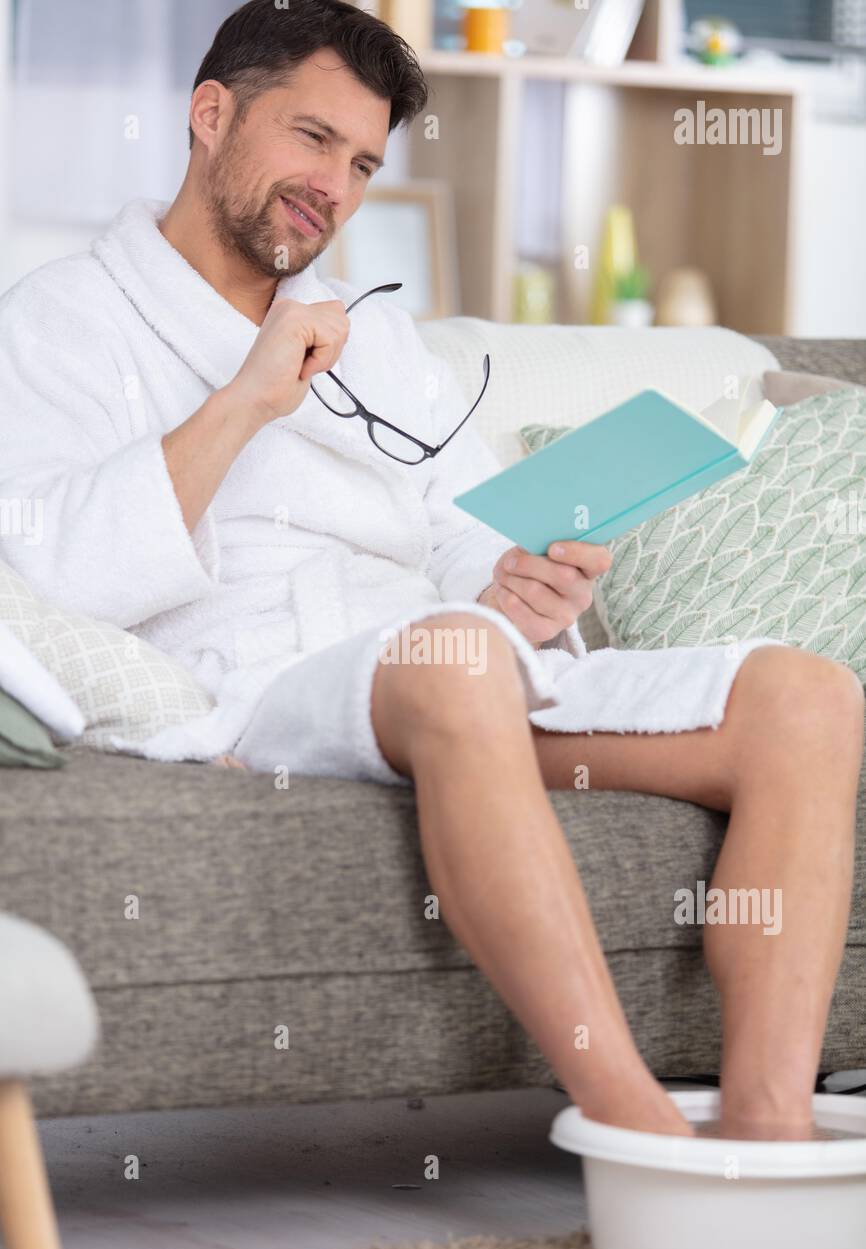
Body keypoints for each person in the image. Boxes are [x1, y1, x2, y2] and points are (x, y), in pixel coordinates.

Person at [0, 0, 862, 1141]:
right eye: (312, 139)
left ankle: (763, 1130)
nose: (336, 187)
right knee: (456, 658)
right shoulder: (60, 320)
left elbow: (456, 532)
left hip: (439, 661)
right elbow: (53, 572)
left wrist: (513, 582)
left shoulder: (371, 332)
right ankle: (634, 1127)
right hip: (261, 676)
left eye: (361, 162)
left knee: (804, 696)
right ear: (209, 115)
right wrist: (247, 397)